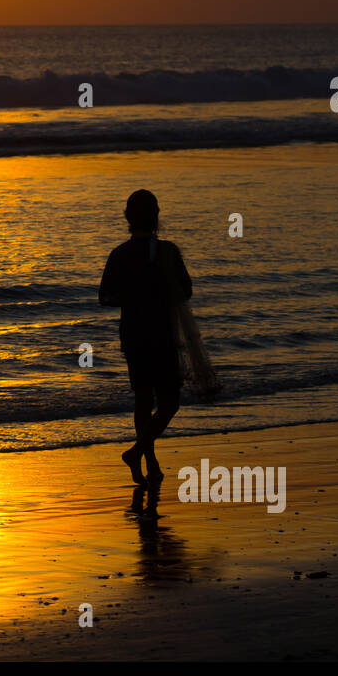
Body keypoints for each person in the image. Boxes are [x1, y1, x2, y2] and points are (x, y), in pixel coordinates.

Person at [99, 189, 192, 484]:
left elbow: (105, 297)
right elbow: (186, 291)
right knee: (169, 402)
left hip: (135, 335)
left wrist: (132, 296)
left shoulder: (120, 254)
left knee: (143, 399)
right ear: (157, 218)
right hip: (162, 335)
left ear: (128, 218)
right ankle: (142, 456)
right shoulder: (168, 252)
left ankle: (144, 456)